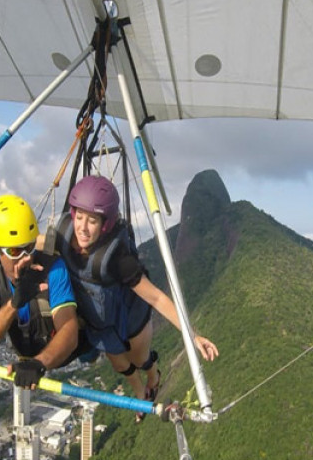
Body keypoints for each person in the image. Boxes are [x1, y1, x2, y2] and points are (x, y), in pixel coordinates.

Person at [56, 175, 218, 421]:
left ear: (105, 224)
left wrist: (192, 336)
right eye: (79, 217)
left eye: (92, 221)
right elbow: (37, 244)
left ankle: (154, 376)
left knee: (139, 359)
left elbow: (156, 298)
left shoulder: (119, 259)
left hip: (131, 315)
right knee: (120, 365)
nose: (83, 228)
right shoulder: (64, 234)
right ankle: (140, 393)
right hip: (101, 319)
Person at [0, 194, 81, 390]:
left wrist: (39, 363)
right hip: (28, 354)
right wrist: (15, 302)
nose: (26, 258)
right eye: (15, 252)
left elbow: (69, 330)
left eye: (30, 247)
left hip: (59, 356)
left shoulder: (53, 269)